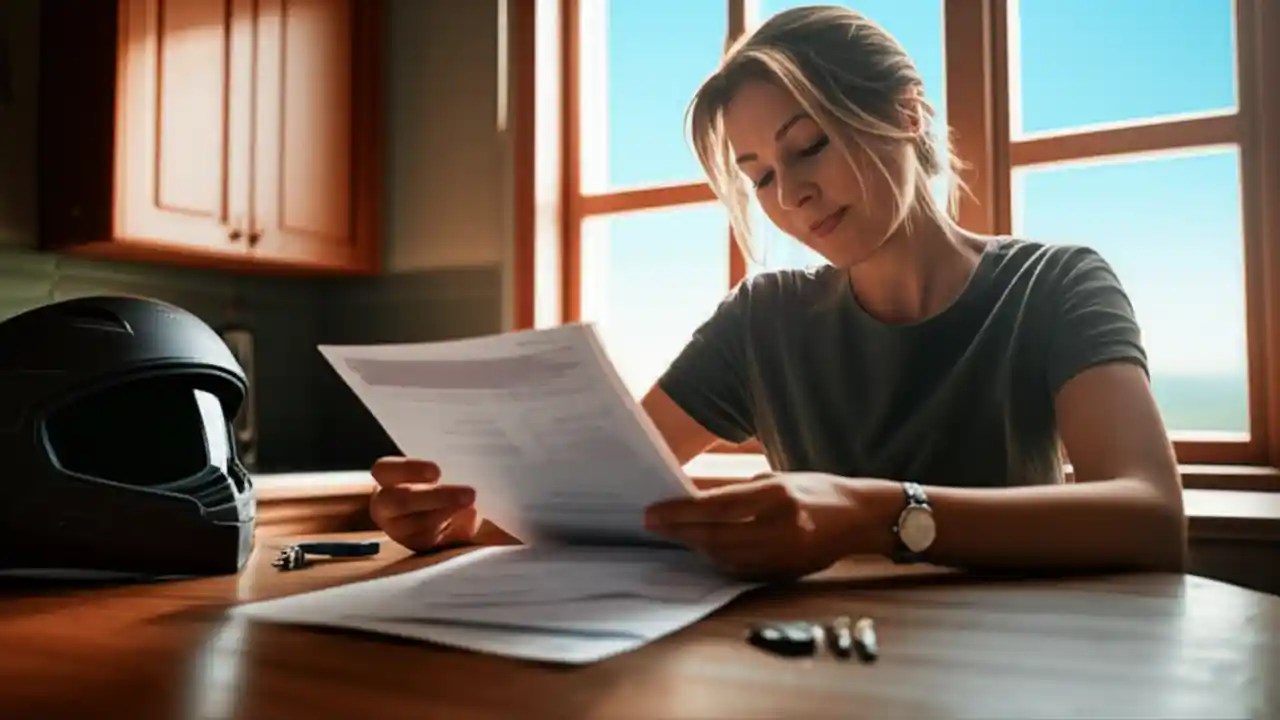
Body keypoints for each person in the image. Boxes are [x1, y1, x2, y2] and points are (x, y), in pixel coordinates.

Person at [366, 5, 1186, 580]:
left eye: (810, 146)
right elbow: (596, 490)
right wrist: (464, 522)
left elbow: (1150, 516)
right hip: (818, 667)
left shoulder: (1057, 283)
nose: (789, 195)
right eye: (758, 176)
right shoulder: (764, 319)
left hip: (1019, 668)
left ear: (907, 115)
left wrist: (872, 514)